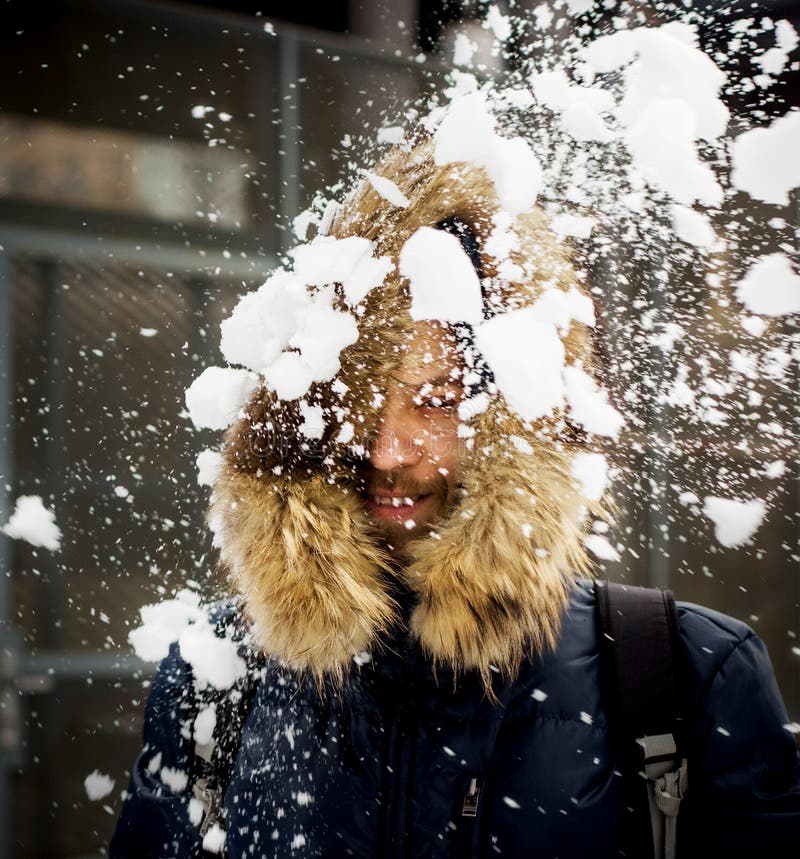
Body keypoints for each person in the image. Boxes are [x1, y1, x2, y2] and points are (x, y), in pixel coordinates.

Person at [110, 133, 800, 858]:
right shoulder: (217, 676)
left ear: (518, 425)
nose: (385, 449)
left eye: (436, 400)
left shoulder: (683, 679)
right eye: (359, 395)